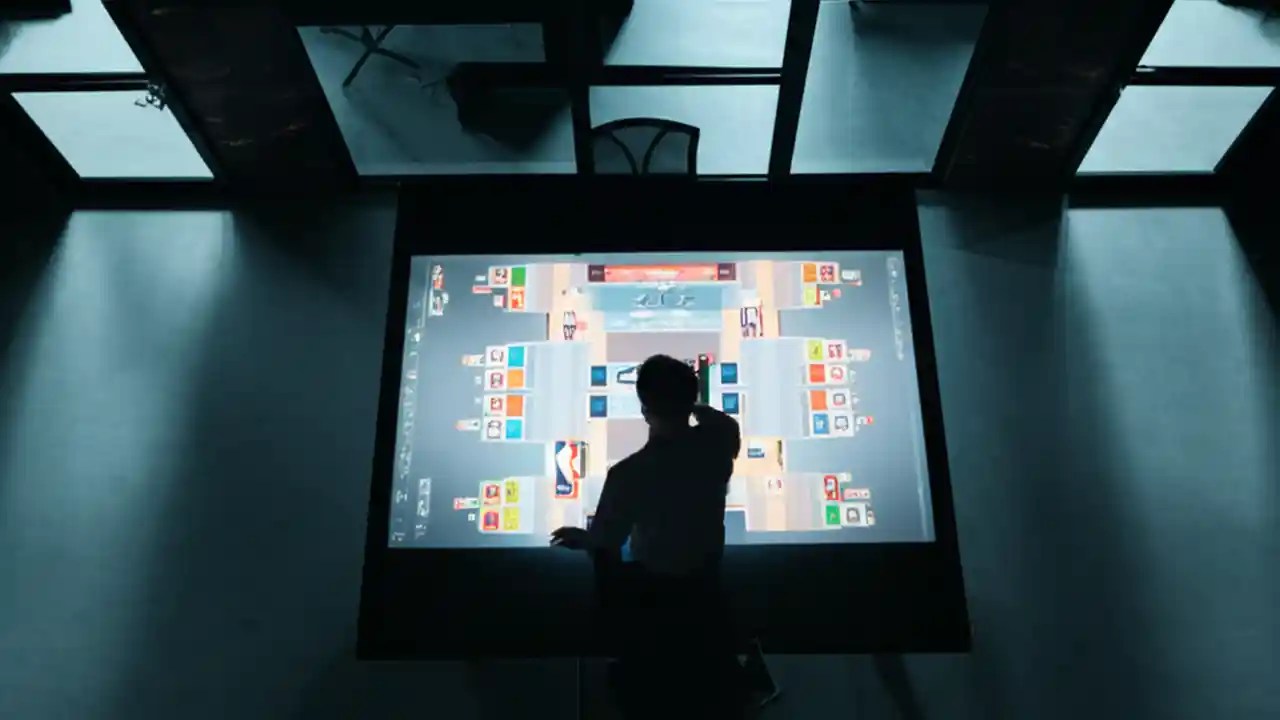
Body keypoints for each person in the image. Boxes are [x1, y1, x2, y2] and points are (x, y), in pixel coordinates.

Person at [551, 354, 744, 717]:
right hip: (707, 584)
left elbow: (606, 540)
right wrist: (689, 401)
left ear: (644, 409)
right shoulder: (719, 441)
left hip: (656, 591)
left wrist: (582, 538)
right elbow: (717, 420)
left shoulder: (629, 475)